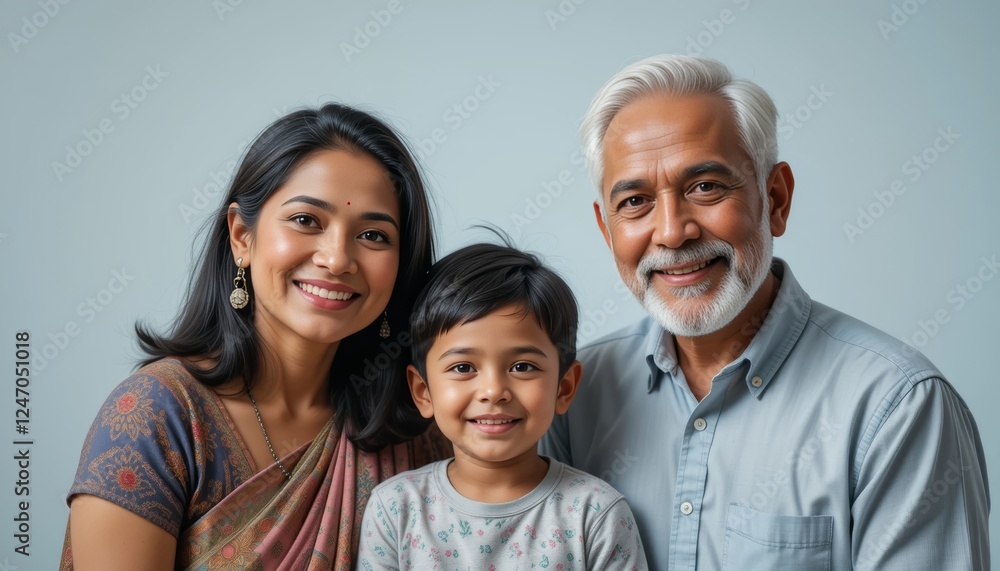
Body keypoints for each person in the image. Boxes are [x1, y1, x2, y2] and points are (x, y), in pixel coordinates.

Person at [540, 54, 990, 569]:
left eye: (705, 187)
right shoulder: (569, 397)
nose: (671, 231)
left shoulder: (897, 409)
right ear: (607, 230)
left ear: (775, 198)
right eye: (636, 201)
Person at [61, 103, 449, 569]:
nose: (337, 258)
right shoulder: (156, 416)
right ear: (242, 235)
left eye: (373, 235)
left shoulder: (415, 432)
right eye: (306, 220)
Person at [356, 242, 649, 570]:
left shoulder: (596, 514)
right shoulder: (395, 509)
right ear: (423, 392)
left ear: (563, 388)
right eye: (464, 368)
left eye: (522, 367)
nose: (494, 391)